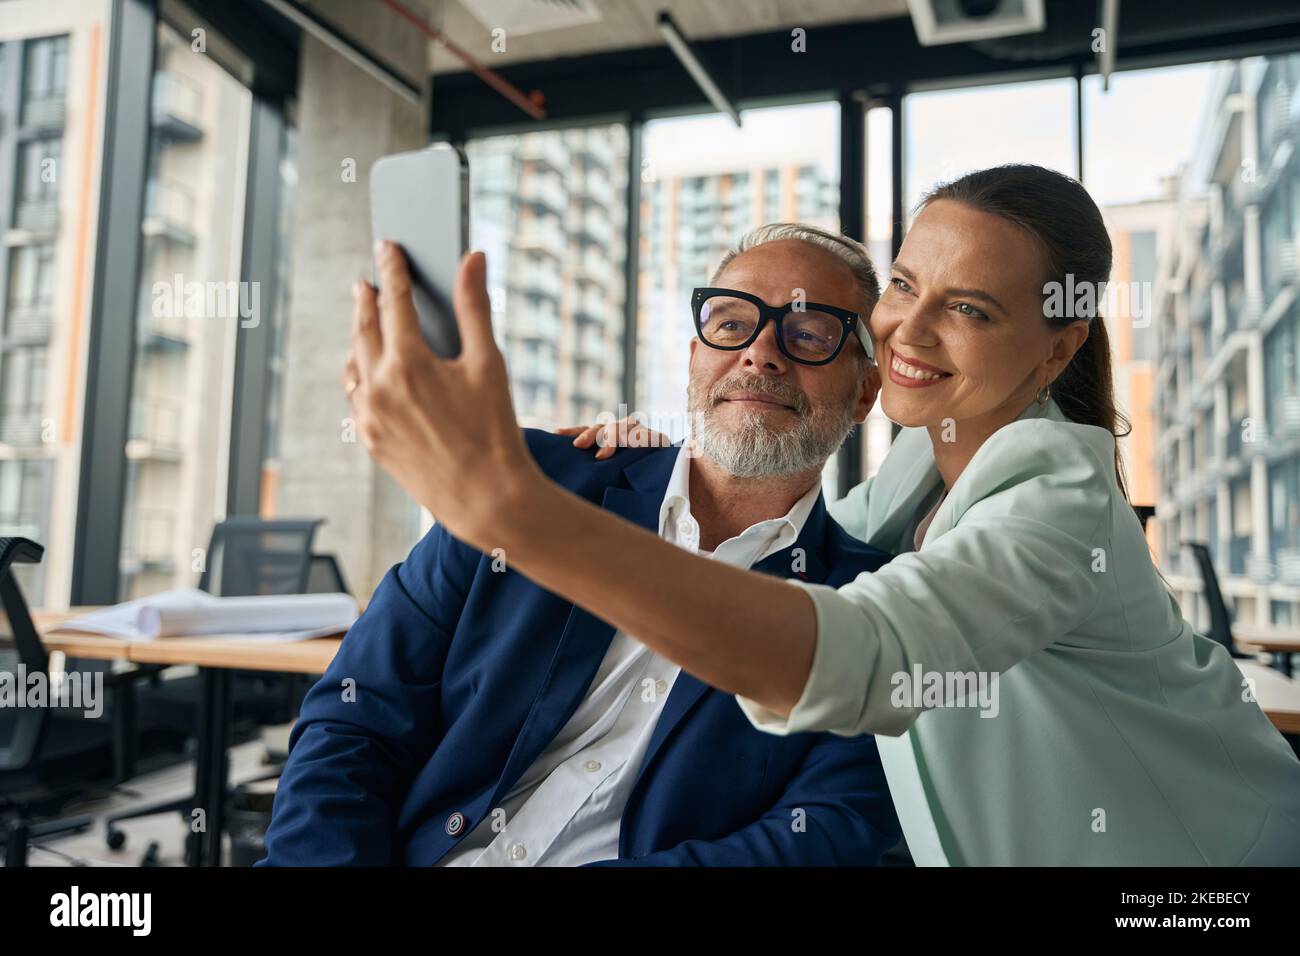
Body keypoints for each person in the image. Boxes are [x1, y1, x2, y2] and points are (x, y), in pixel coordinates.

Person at [342, 164, 1300, 865]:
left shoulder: (1059, 499)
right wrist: (595, 477)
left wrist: (521, 510)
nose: (914, 329)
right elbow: (353, 724)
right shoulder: (913, 477)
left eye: (969, 308)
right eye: (905, 287)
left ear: (1056, 352)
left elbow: (865, 656)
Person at [259, 227, 902, 866]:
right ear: (693, 357)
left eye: (809, 332)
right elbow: (355, 717)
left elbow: (827, 833)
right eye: (731, 324)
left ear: (865, 393)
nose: (761, 353)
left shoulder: (869, 612)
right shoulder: (530, 482)